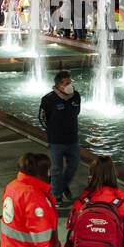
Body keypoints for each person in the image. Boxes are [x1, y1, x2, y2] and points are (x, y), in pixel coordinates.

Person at [38, 70, 81, 205]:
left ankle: (61, 186)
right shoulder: (48, 99)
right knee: (56, 169)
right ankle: (56, 196)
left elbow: (76, 113)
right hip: (56, 140)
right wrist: (52, 131)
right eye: (66, 83)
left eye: (70, 82)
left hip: (72, 139)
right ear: (58, 85)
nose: (70, 85)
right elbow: (43, 118)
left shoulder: (76, 96)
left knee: (73, 165)